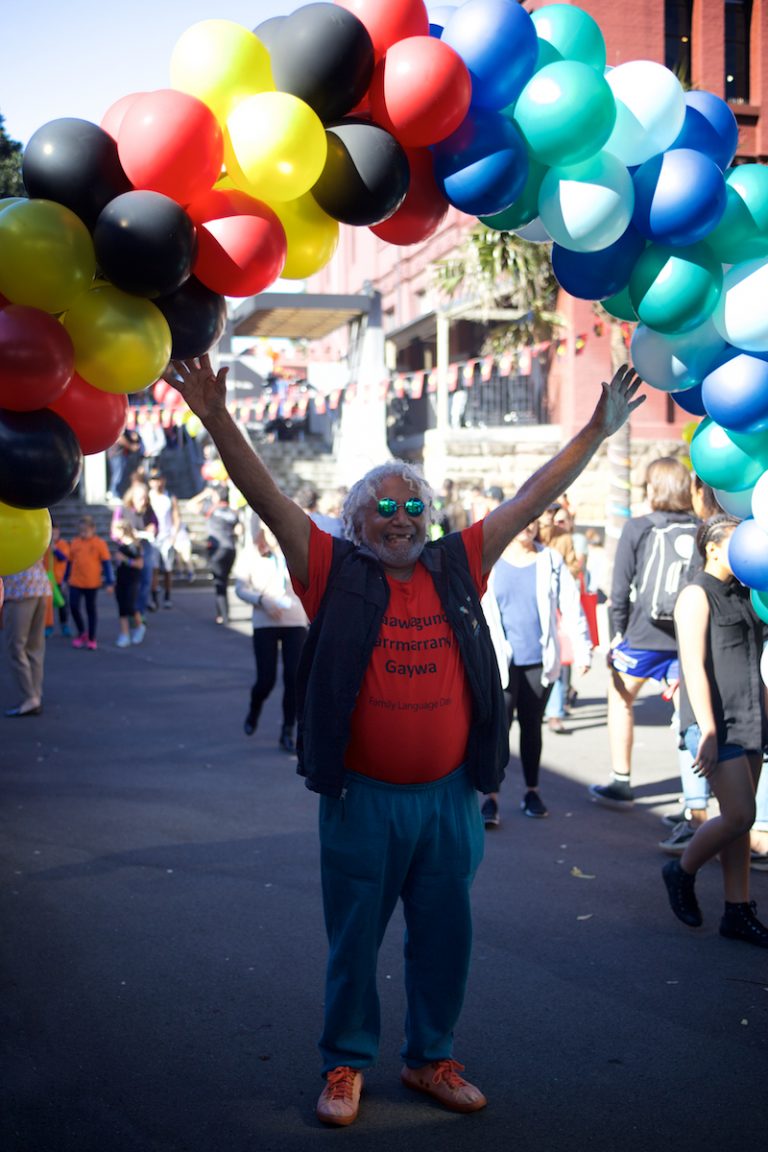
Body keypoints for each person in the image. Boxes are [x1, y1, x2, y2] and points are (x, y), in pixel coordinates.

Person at [169, 352, 643, 1127]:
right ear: (357, 521)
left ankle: (431, 1059)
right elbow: (269, 499)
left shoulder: (459, 563)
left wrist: (596, 430)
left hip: (450, 801)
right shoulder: (327, 567)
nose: (399, 519)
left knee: (444, 939)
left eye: (413, 508)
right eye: (383, 508)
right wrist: (217, 417)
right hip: (363, 803)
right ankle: (345, 1065)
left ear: (433, 518)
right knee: (354, 941)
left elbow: (531, 498)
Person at [662, 515, 768, 947]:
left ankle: (737, 910)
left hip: (750, 720)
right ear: (712, 548)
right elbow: (693, 667)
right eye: (737, 543)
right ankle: (681, 870)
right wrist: (705, 729)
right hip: (714, 723)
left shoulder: (749, 594)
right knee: (741, 815)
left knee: (738, 824)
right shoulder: (695, 594)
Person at [589, 457, 697, 809]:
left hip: (642, 637)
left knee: (621, 699)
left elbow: (618, 590)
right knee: (688, 715)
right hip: (686, 640)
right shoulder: (701, 529)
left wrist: (618, 635)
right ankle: (693, 799)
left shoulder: (638, 527)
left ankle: (621, 781)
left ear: (653, 488)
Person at [480, 517, 592, 825]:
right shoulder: (491, 559)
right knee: (498, 731)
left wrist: (583, 649)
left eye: (532, 521)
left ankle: (532, 791)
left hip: (538, 660)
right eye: (520, 520)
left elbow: (571, 605)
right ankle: (490, 797)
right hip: (500, 662)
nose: (526, 526)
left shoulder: (550, 559)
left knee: (532, 728)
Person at [235, 524, 309, 750]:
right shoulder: (251, 552)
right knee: (266, 680)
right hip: (265, 621)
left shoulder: (295, 546)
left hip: (295, 620)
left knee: (293, 679)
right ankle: (255, 707)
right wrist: (261, 601)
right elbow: (240, 588)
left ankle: (288, 730)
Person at [2, 560, 51, 717]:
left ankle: (29, 697)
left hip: (19, 589)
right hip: (39, 585)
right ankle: (35, 694)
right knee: (34, 646)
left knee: (16, 647)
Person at [66, 516, 114, 650]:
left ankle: (92, 637)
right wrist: (65, 579)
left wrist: (110, 582)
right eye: (81, 530)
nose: (84, 533)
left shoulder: (99, 544)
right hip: (75, 581)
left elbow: (106, 564)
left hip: (92, 583)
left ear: (93, 529)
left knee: (90, 609)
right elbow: (69, 563)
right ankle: (82, 632)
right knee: (74, 606)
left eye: (86, 530)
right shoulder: (75, 542)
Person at [204, 485, 241, 624]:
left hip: (217, 550)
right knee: (223, 581)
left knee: (219, 583)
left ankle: (223, 616)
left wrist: (204, 494)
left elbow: (191, 505)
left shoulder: (211, 509)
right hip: (231, 549)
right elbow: (239, 529)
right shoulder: (233, 512)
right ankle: (222, 613)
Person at [147, 469, 180, 609]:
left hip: (167, 536)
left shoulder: (170, 497)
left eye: (158, 478)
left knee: (167, 569)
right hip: (153, 538)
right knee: (154, 568)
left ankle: (167, 595)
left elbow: (176, 517)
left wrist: (174, 535)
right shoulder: (147, 497)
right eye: (153, 479)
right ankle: (154, 597)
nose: (156, 482)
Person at [112, 518, 146, 647]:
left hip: (132, 580)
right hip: (121, 580)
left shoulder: (134, 546)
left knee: (130, 607)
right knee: (122, 608)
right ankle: (124, 634)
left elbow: (139, 564)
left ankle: (140, 626)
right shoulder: (121, 546)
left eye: (116, 529)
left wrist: (125, 559)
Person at [107, 426, 144, 500]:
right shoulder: (119, 426)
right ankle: (114, 493)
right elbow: (120, 438)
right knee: (118, 474)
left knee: (118, 474)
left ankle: (114, 493)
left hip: (118, 455)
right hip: (117, 454)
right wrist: (131, 446)